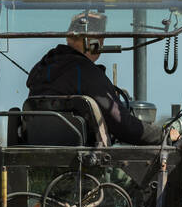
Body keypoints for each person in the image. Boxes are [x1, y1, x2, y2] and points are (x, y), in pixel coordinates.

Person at [26, 11, 163, 144]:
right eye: (102, 37)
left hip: (38, 156)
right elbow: (124, 126)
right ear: (93, 42)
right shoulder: (85, 72)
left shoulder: (43, 69)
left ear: (69, 37)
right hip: (85, 161)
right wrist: (163, 134)